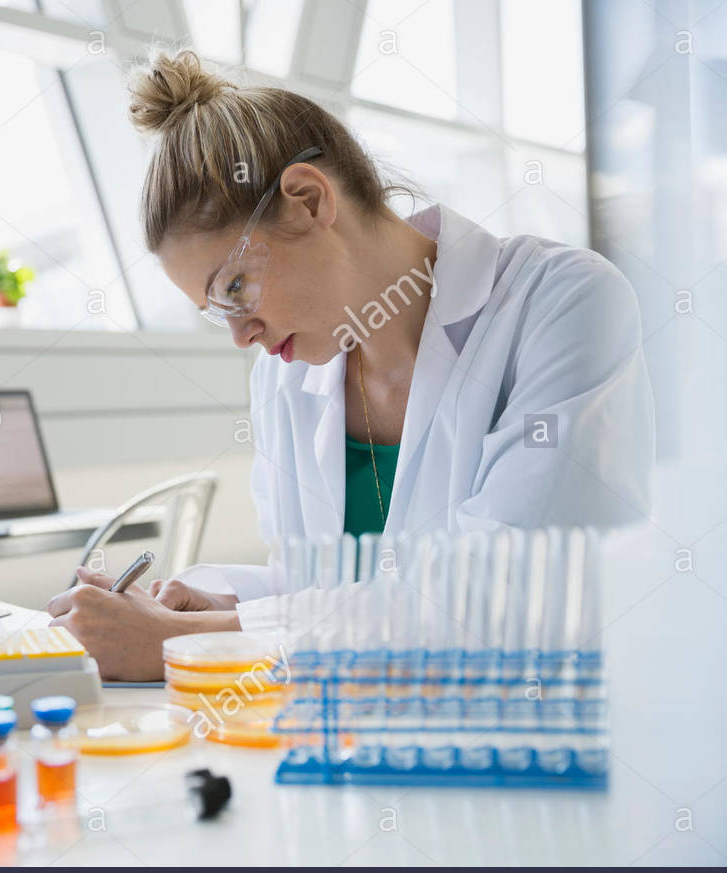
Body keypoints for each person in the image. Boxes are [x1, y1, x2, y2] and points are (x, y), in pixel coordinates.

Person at [46, 49, 654, 681]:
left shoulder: (561, 302)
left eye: (234, 288)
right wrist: (212, 603)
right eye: (212, 309)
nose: (239, 335)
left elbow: (503, 600)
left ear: (308, 201)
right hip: (364, 738)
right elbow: (320, 583)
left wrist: (186, 642)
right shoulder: (286, 371)